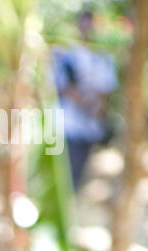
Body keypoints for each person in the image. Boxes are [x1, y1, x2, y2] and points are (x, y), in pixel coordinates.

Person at [51, 4, 117, 189]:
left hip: (87, 132)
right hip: (66, 130)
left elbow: (104, 99)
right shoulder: (65, 56)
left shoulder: (103, 58)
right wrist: (86, 101)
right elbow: (62, 88)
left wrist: (91, 105)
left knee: (74, 183)